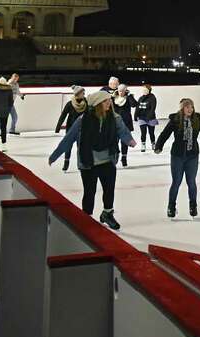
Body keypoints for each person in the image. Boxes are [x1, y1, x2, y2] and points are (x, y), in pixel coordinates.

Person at [48, 89, 136, 229]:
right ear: (98, 103)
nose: (109, 103)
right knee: (89, 192)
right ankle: (86, 218)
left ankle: (107, 213)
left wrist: (129, 140)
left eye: (109, 100)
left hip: (108, 159)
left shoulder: (115, 118)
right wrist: (55, 155)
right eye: (106, 101)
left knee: (109, 189)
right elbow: (69, 138)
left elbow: (122, 131)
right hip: (89, 161)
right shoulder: (83, 120)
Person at [155, 98, 200, 218]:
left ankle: (193, 206)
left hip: (192, 155)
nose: (190, 109)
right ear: (182, 108)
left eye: (191, 107)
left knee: (191, 182)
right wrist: (159, 146)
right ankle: (171, 207)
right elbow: (164, 134)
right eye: (187, 107)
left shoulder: (197, 119)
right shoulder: (175, 120)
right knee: (176, 182)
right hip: (177, 156)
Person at [112, 84, 137, 166]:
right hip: (115, 123)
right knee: (114, 142)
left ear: (125, 91)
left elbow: (134, 104)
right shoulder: (113, 98)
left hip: (126, 123)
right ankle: (115, 156)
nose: (121, 93)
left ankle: (124, 158)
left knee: (124, 142)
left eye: (123, 91)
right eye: (119, 91)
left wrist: (130, 96)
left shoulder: (128, 98)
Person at [135, 84, 158, 151]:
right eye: (143, 90)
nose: (144, 91)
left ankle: (153, 143)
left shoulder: (152, 98)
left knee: (151, 133)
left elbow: (153, 108)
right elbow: (137, 108)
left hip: (150, 118)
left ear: (149, 90)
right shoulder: (140, 98)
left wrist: (149, 116)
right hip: (142, 118)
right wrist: (135, 115)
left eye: (146, 90)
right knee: (143, 132)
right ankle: (143, 145)